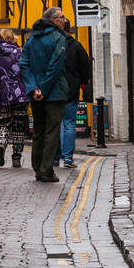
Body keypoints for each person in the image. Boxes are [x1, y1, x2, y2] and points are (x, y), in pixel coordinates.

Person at [19, 7, 69, 183]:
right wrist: (44, 90)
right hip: (54, 93)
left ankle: (37, 168)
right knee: (52, 132)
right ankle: (46, 170)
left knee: (38, 130)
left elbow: (24, 64)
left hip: (36, 94)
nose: (65, 20)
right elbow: (55, 67)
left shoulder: (31, 39)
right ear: (53, 20)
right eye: (61, 17)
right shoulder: (58, 38)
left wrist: (34, 89)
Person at [0, 28, 30, 168]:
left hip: (1, 93)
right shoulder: (20, 53)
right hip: (19, 94)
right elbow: (27, 71)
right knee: (19, 125)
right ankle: (16, 157)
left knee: (3, 122)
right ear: (13, 38)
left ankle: (1, 143)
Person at [53, 20, 92, 170]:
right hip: (71, 90)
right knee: (69, 124)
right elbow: (85, 66)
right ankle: (68, 158)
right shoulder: (75, 46)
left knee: (55, 125)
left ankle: (55, 159)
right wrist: (82, 83)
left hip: (54, 91)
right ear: (69, 29)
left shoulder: (51, 45)